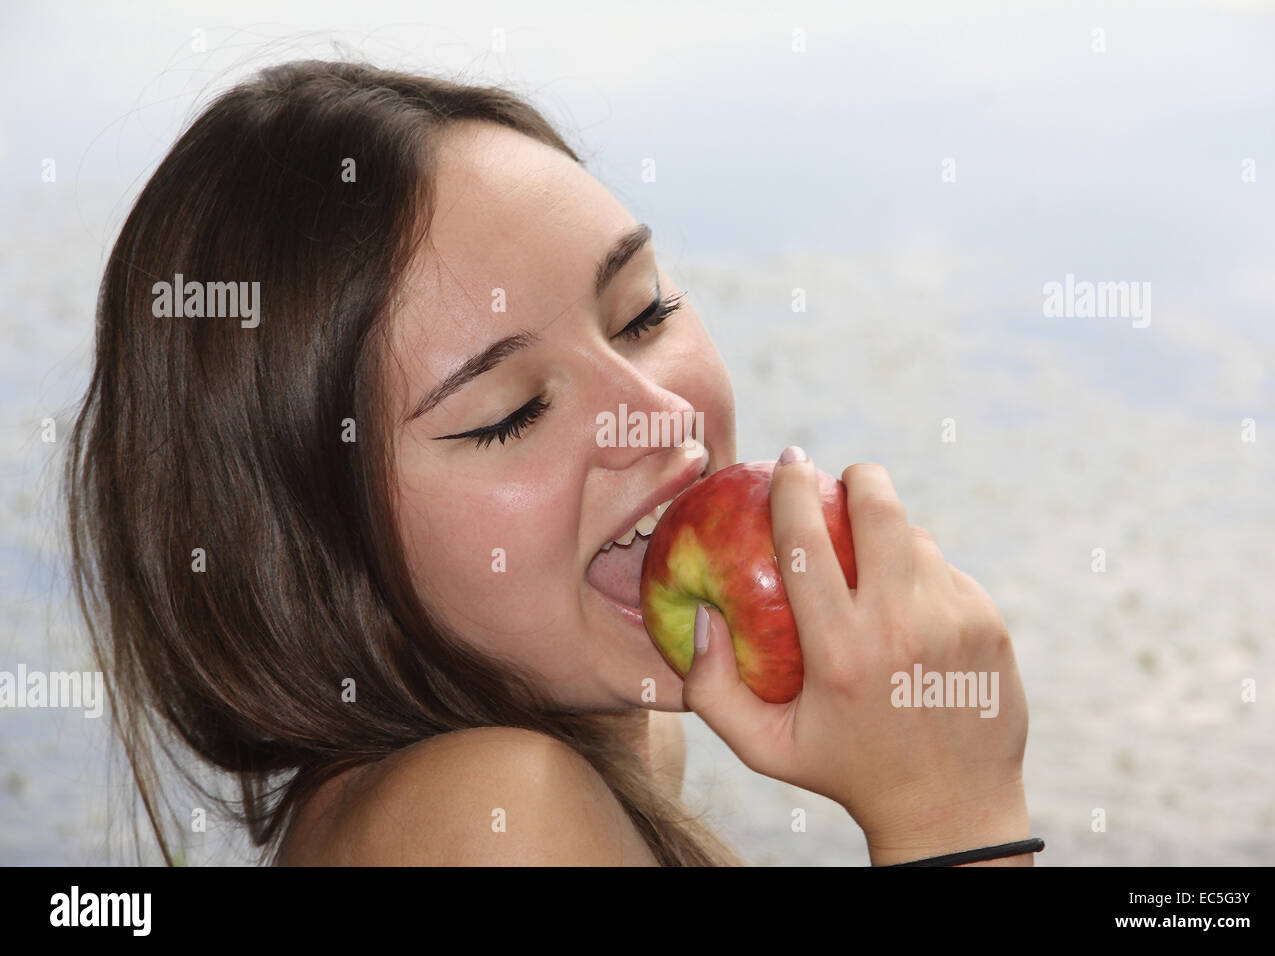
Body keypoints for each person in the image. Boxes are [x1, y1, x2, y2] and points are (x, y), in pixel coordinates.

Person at [65, 59, 1032, 866]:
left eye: (643, 313)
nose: (656, 416)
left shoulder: (619, 738)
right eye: (511, 413)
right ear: (306, 553)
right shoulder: (500, 818)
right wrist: (951, 819)